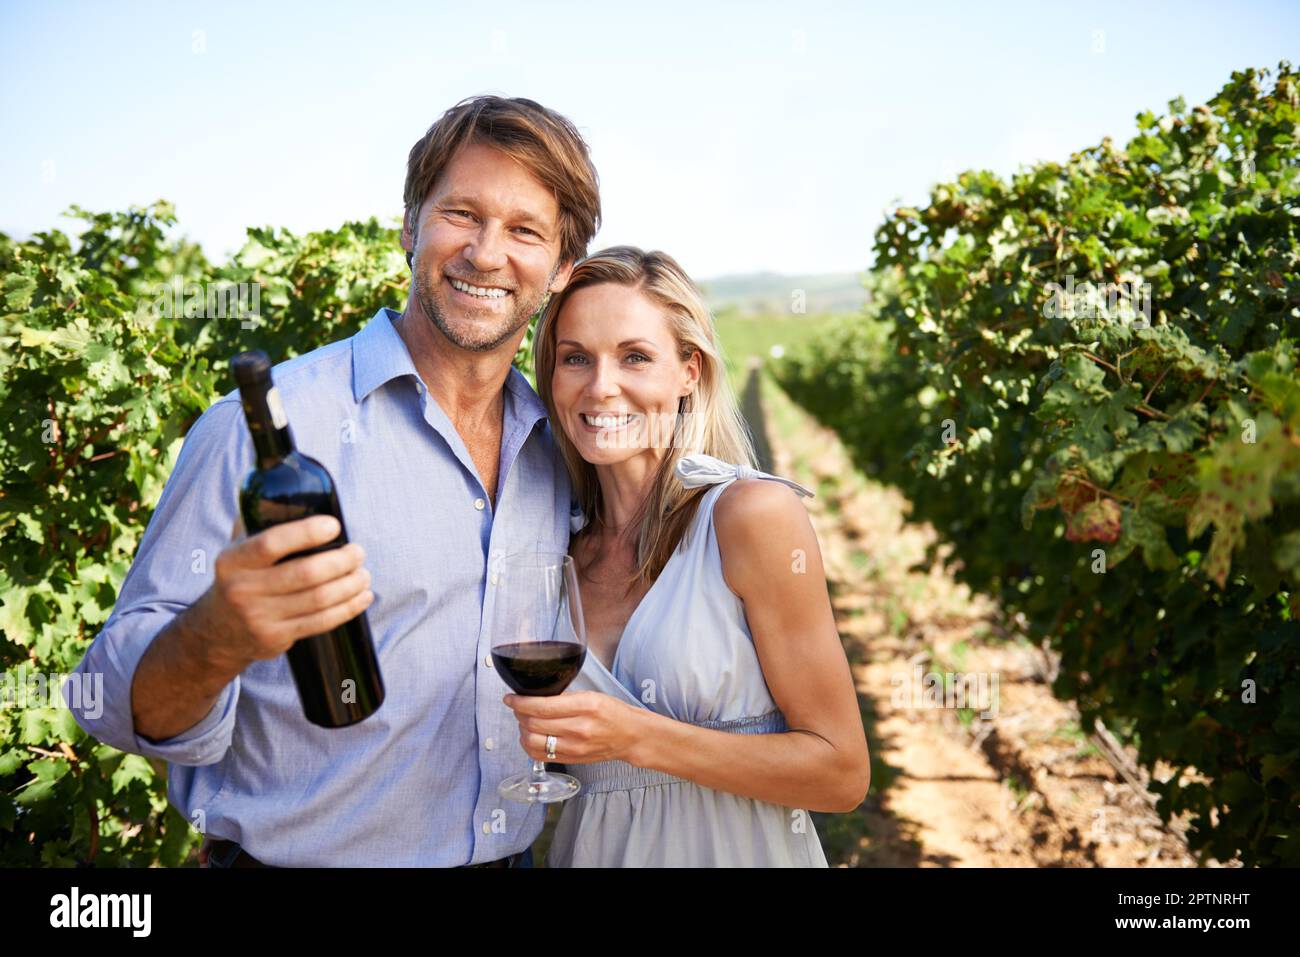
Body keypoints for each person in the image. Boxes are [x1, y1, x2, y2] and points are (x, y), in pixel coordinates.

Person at [63, 95, 601, 867]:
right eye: (461, 214)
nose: (486, 253)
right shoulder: (264, 434)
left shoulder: (560, 448)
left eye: (524, 230)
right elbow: (111, 703)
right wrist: (216, 635)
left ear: (560, 270)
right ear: (410, 228)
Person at [505, 246, 871, 866]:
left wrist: (641, 738)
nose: (601, 386)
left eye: (635, 357)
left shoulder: (749, 517)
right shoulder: (555, 546)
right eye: (575, 359)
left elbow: (840, 773)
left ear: (688, 372)